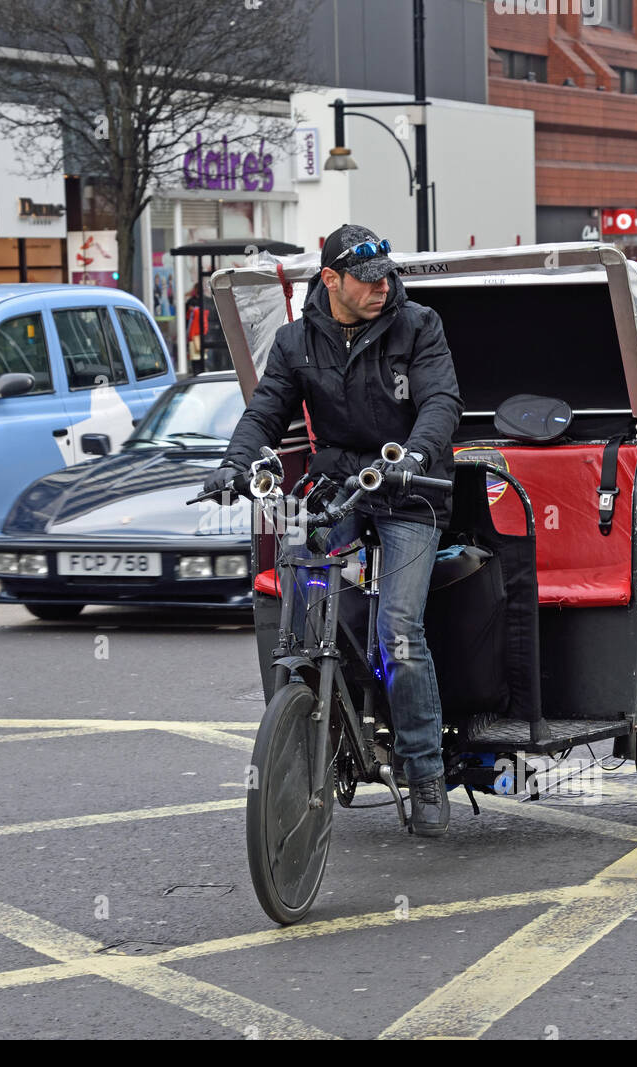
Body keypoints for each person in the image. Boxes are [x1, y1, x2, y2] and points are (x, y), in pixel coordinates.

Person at [205, 224, 463, 836]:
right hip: (340, 486)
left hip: (409, 491)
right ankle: (312, 732)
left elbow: (440, 405)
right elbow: (266, 409)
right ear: (331, 280)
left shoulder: (419, 324)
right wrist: (233, 464)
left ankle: (423, 772)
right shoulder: (296, 341)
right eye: (368, 280)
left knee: (399, 627)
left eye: (386, 277)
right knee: (302, 600)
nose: (382, 288)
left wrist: (416, 458)